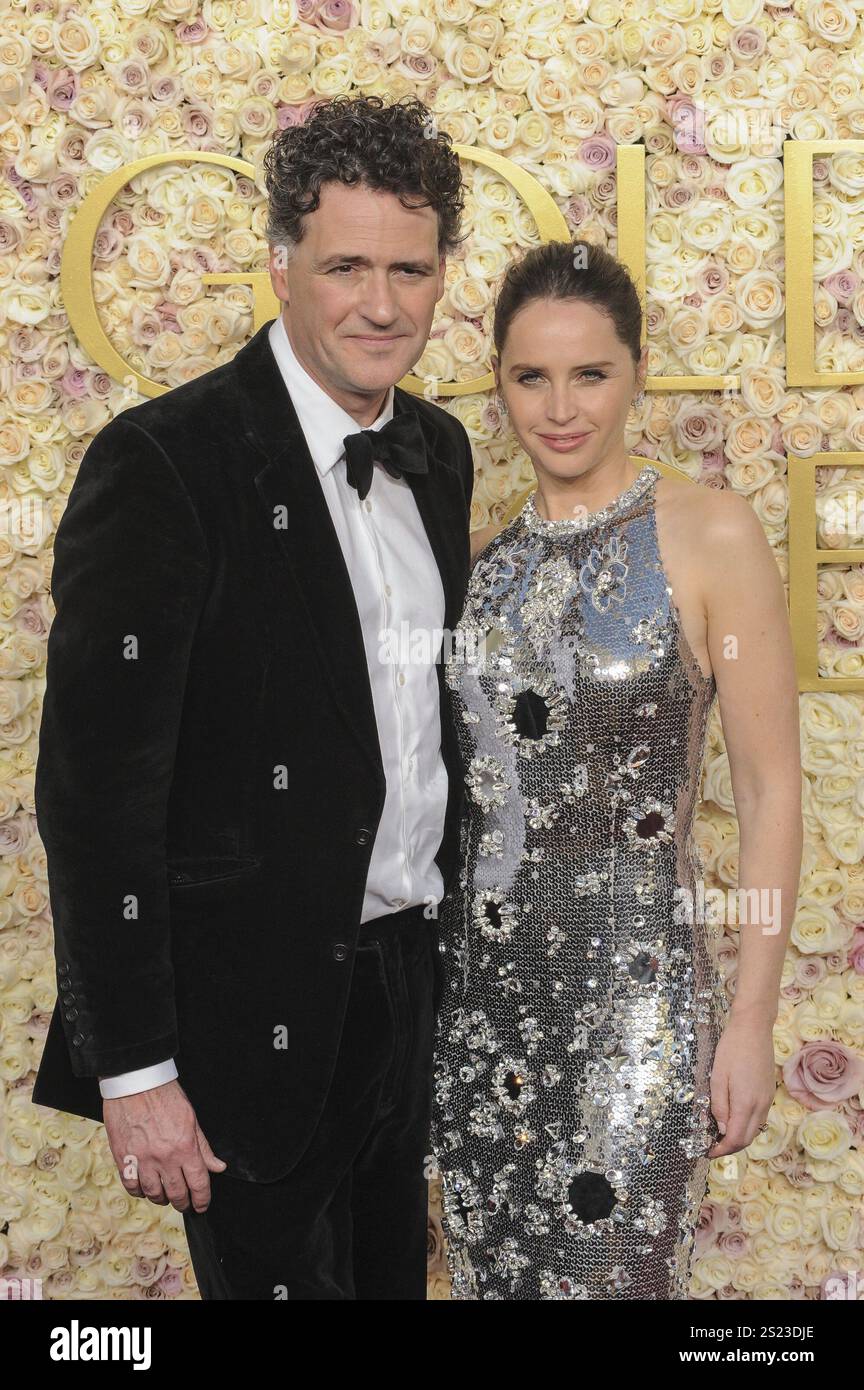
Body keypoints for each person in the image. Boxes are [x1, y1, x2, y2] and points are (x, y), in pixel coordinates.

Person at [32, 94, 475, 1300]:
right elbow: (94, 794)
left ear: (443, 277)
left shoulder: (436, 450)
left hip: (404, 993)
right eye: (345, 266)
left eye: (410, 269)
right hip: (245, 1024)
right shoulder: (166, 462)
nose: (381, 304)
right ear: (280, 264)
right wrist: (134, 1073)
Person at [430, 238, 803, 1299]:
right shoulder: (480, 563)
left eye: (590, 373)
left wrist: (751, 1019)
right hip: (480, 1014)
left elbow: (773, 787)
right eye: (529, 376)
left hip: (641, 1006)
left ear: (637, 372)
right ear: (498, 382)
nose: (560, 407)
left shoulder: (710, 533)